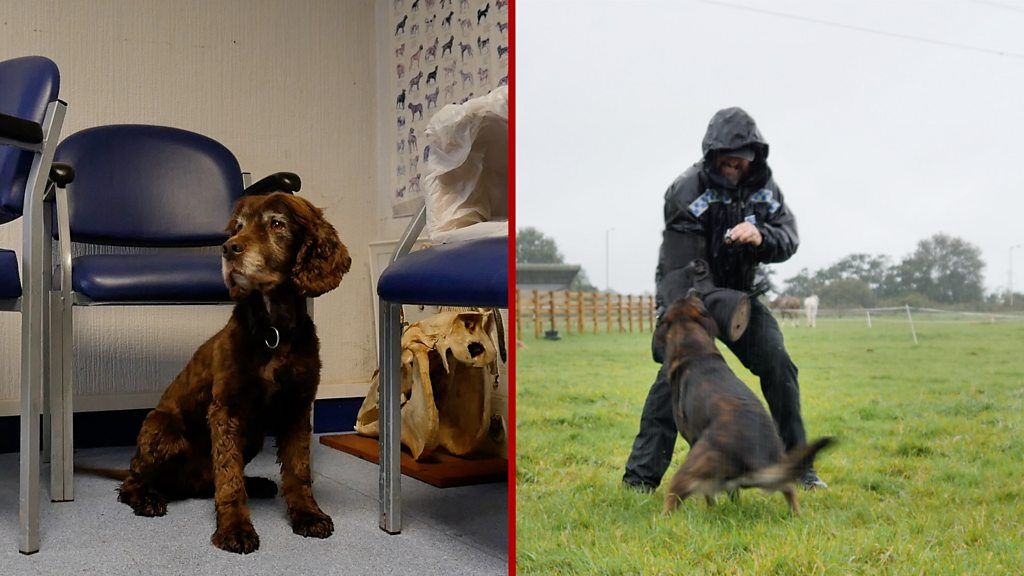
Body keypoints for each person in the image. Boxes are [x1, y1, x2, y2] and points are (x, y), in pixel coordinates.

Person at [622, 107, 827, 492]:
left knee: (780, 365)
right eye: (727, 160)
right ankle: (639, 480)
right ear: (712, 155)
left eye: (741, 160)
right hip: (692, 298)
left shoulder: (767, 189)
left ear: (754, 157)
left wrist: (761, 235)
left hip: (743, 301)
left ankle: (800, 468)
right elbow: (682, 261)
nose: (734, 166)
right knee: (672, 380)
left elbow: (789, 237)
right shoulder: (686, 189)